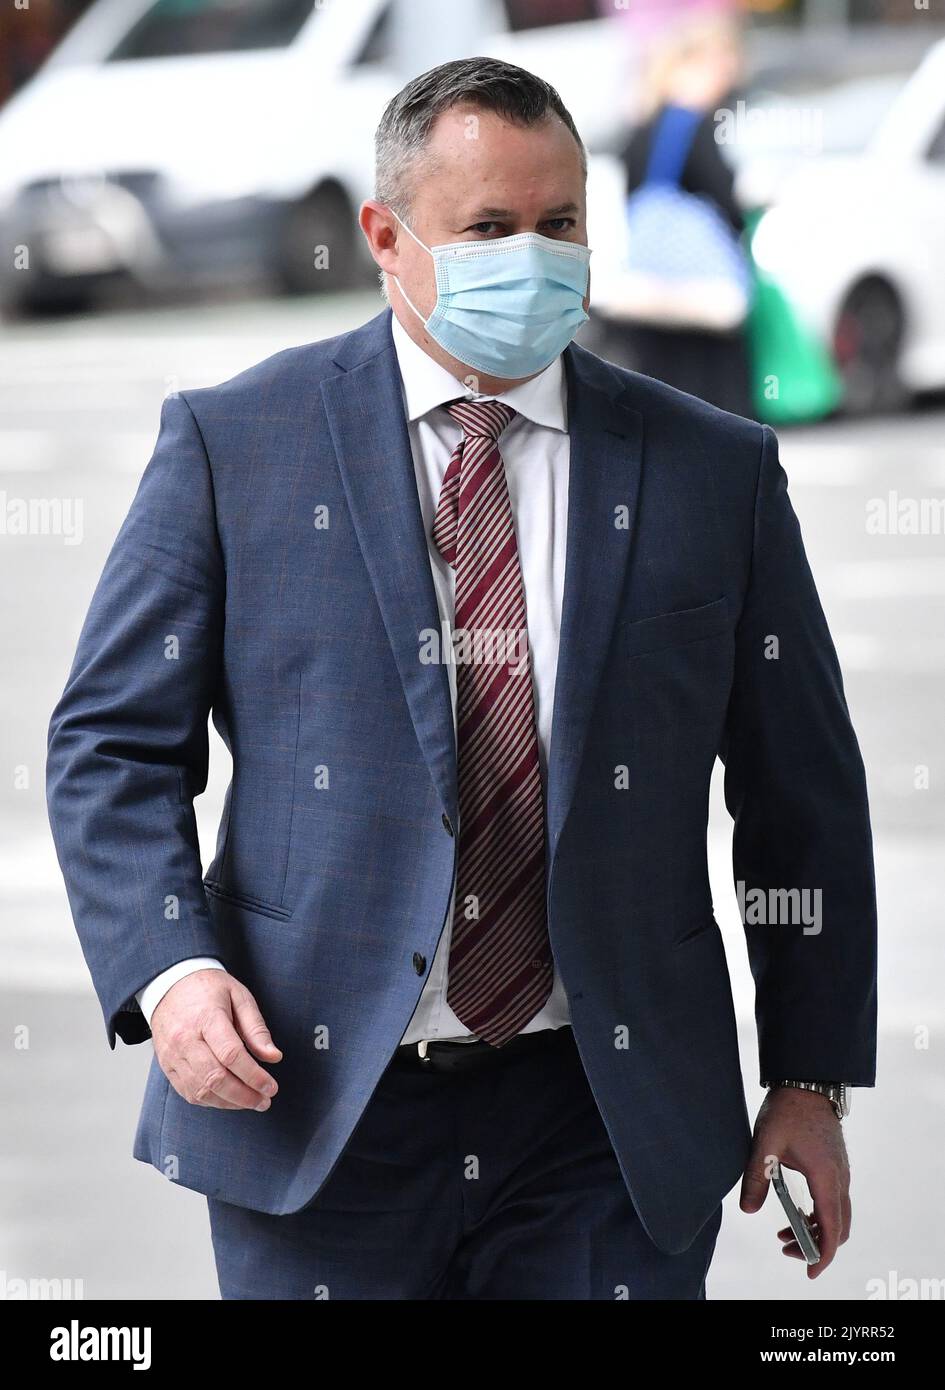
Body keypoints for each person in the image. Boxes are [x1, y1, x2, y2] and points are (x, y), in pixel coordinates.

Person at [46, 57, 876, 1301]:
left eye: (561, 224)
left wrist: (809, 1078)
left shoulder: (714, 471)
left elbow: (799, 792)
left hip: (604, 1116)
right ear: (386, 236)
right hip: (321, 1104)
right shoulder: (238, 443)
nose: (533, 260)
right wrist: (172, 970)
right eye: (489, 229)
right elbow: (111, 747)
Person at [609, 15, 754, 416]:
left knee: (664, 407)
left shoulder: (643, 127)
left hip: (651, 297)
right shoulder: (694, 127)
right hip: (701, 301)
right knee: (718, 410)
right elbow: (727, 203)